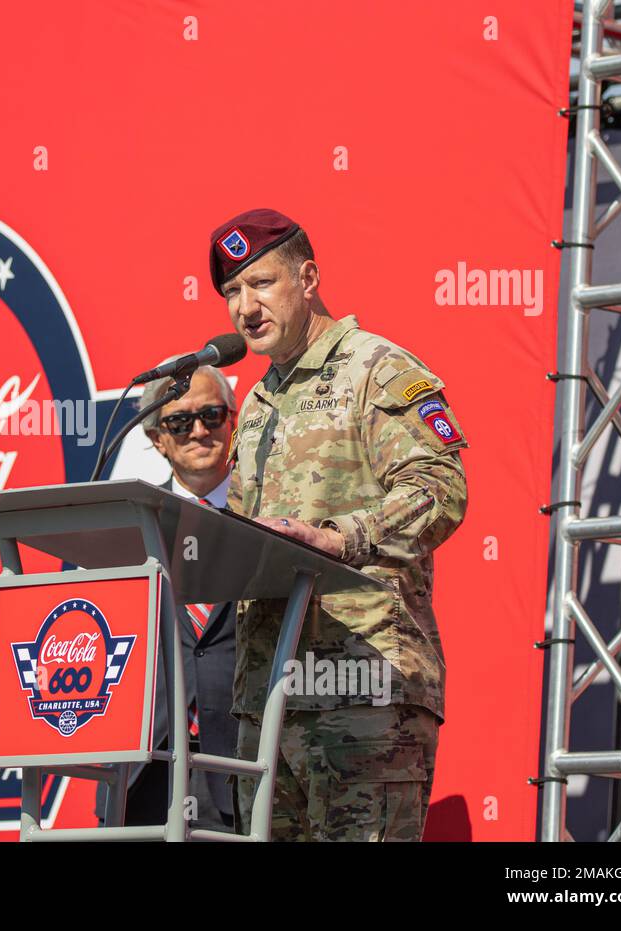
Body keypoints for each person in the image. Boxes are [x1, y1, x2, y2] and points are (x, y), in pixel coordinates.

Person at [208, 208, 469, 841]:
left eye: (262, 284)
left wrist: (341, 538)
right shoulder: (259, 403)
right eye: (231, 293)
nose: (246, 307)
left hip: (363, 691)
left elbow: (441, 489)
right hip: (268, 703)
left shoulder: (376, 369)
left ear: (309, 275)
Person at [95, 365, 239, 832]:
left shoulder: (274, 516)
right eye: (180, 422)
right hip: (141, 767)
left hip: (246, 768)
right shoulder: (126, 524)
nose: (198, 431)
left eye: (211, 416)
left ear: (232, 421)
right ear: (158, 439)